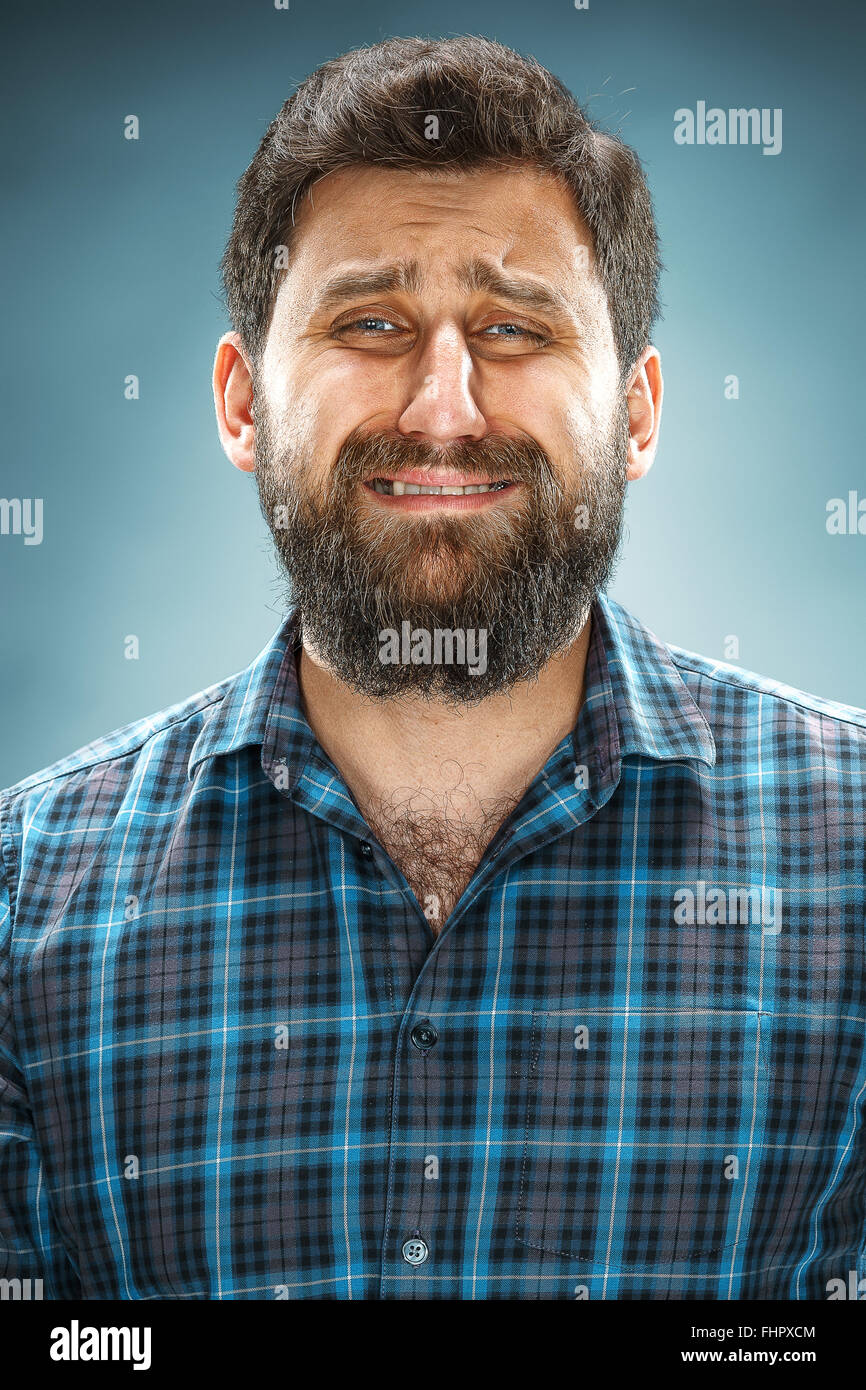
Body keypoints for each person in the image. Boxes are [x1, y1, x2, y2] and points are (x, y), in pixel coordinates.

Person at [1, 35, 863, 1302]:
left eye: (513, 328)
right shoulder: (24, 905)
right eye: (371, 321)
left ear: (635, 412)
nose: (442, 405)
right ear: (243, 404)